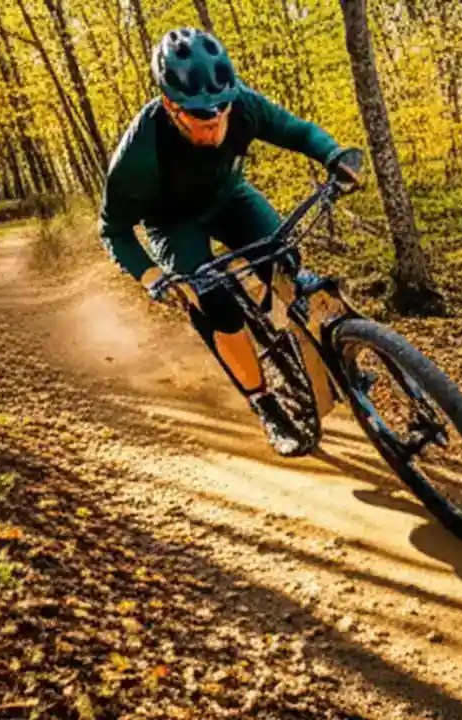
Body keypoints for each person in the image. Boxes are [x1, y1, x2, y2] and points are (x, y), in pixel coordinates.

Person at [99, 27, 360, 457]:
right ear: (171, 105)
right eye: (202, 115)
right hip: (174, 223)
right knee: (216, 305)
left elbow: (296, 132)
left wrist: (333, 155)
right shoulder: (139, 155)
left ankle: (334, 354)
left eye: (223, 107)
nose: (216, 121)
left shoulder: (242, 106)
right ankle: (264, 403)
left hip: (229, 198)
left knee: (286, 263)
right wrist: (150, 276)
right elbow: (114, 231)